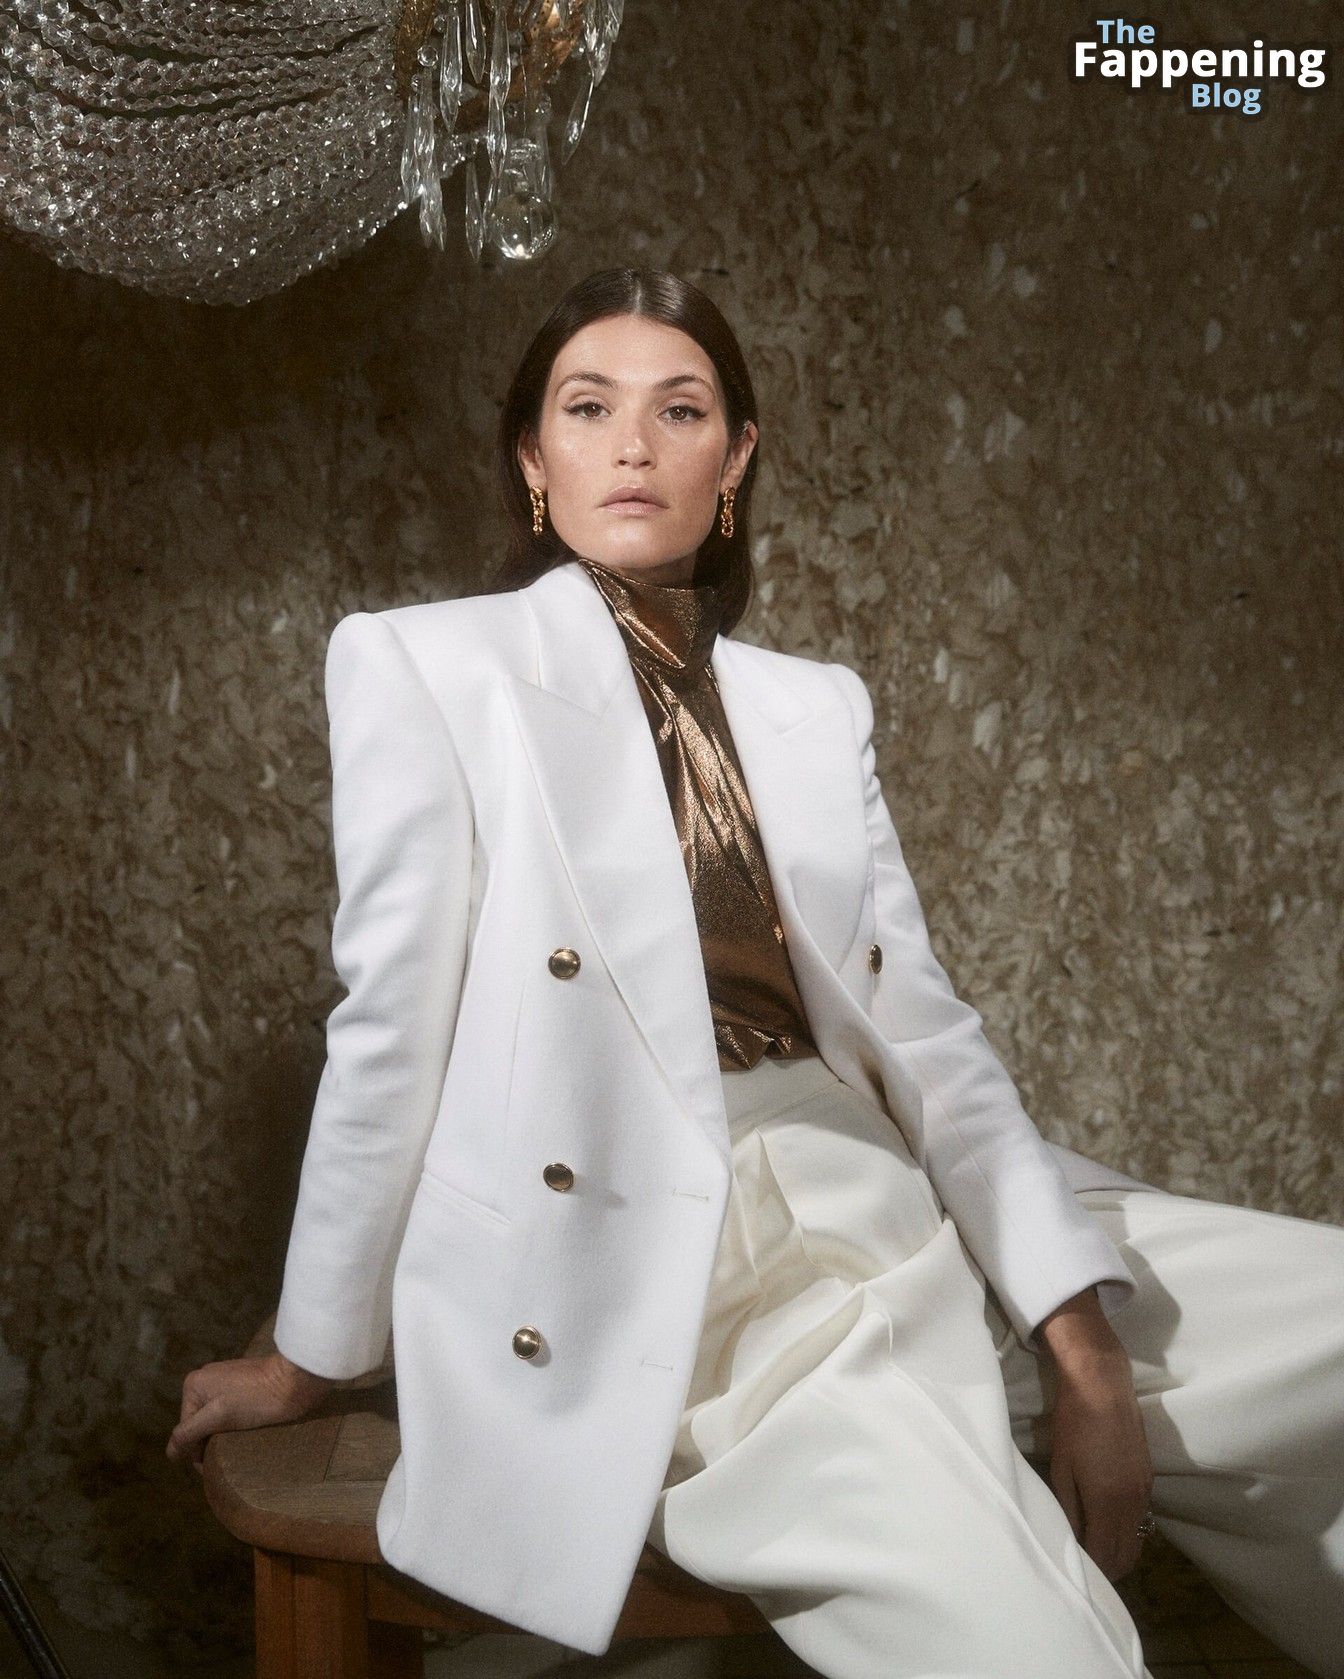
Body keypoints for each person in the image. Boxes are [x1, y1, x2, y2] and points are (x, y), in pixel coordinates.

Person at [168, 268, 1344, 1678]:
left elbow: (924, 1030)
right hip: (686, 1246)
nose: (632, 444)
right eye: (588, 408)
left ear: (735, 460)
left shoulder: (812, 704)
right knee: (1042, 1653)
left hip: (895, 1191)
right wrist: (312, 1348)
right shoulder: (427, 666)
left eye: (680, 411)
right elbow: (388, 1029)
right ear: (532, 460)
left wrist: (1079, 1337)